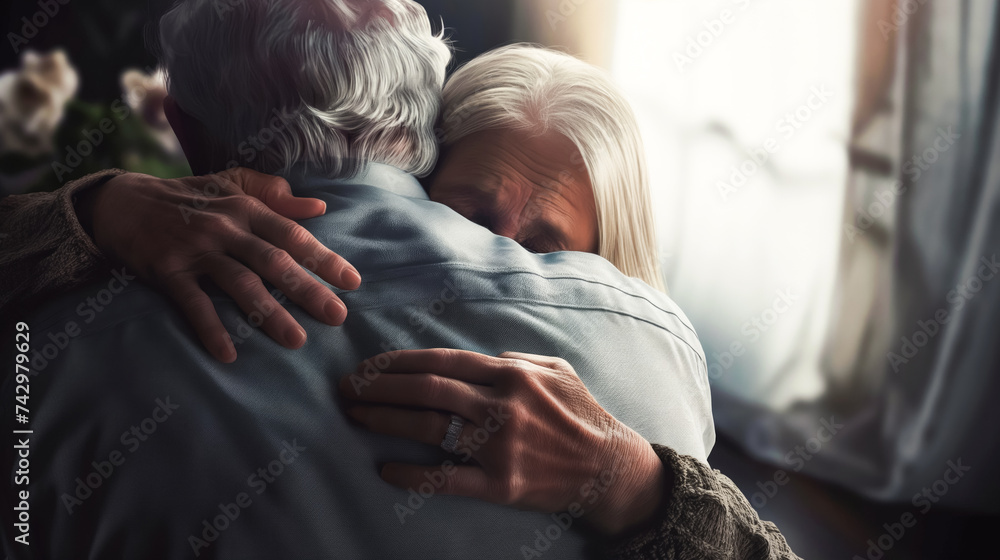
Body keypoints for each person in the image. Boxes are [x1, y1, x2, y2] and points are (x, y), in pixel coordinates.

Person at [0, 3, 798, 560]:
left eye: (551, 248)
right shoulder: (657, 340)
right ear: (425, 133)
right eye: (477, 217)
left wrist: (83, 212)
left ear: (181, 126)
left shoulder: (51, 359)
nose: (510, 263)